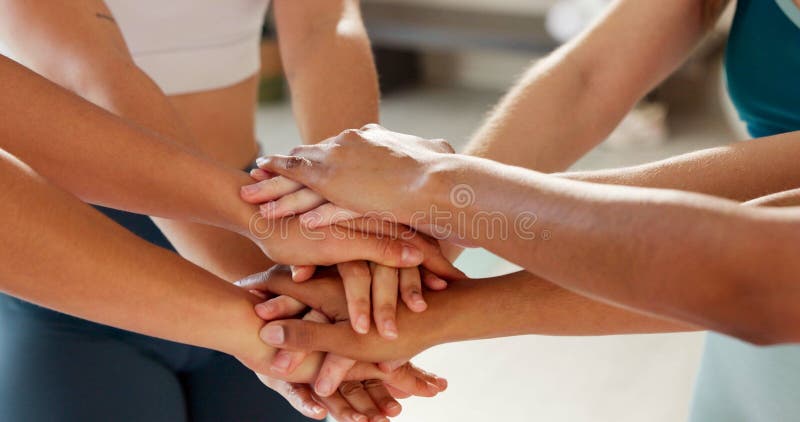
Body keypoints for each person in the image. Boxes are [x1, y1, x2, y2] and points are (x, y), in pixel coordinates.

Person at [242, 0, 800, 419]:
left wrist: (442, 193)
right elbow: (589, 79)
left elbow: (762, 268)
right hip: (728, 325)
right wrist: (412, 246)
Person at [0, 1, 457, 419]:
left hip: (267, 237)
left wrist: (349, 204)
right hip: (73, 254)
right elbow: (87, 71)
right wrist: (282, 295)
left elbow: (324, 26)